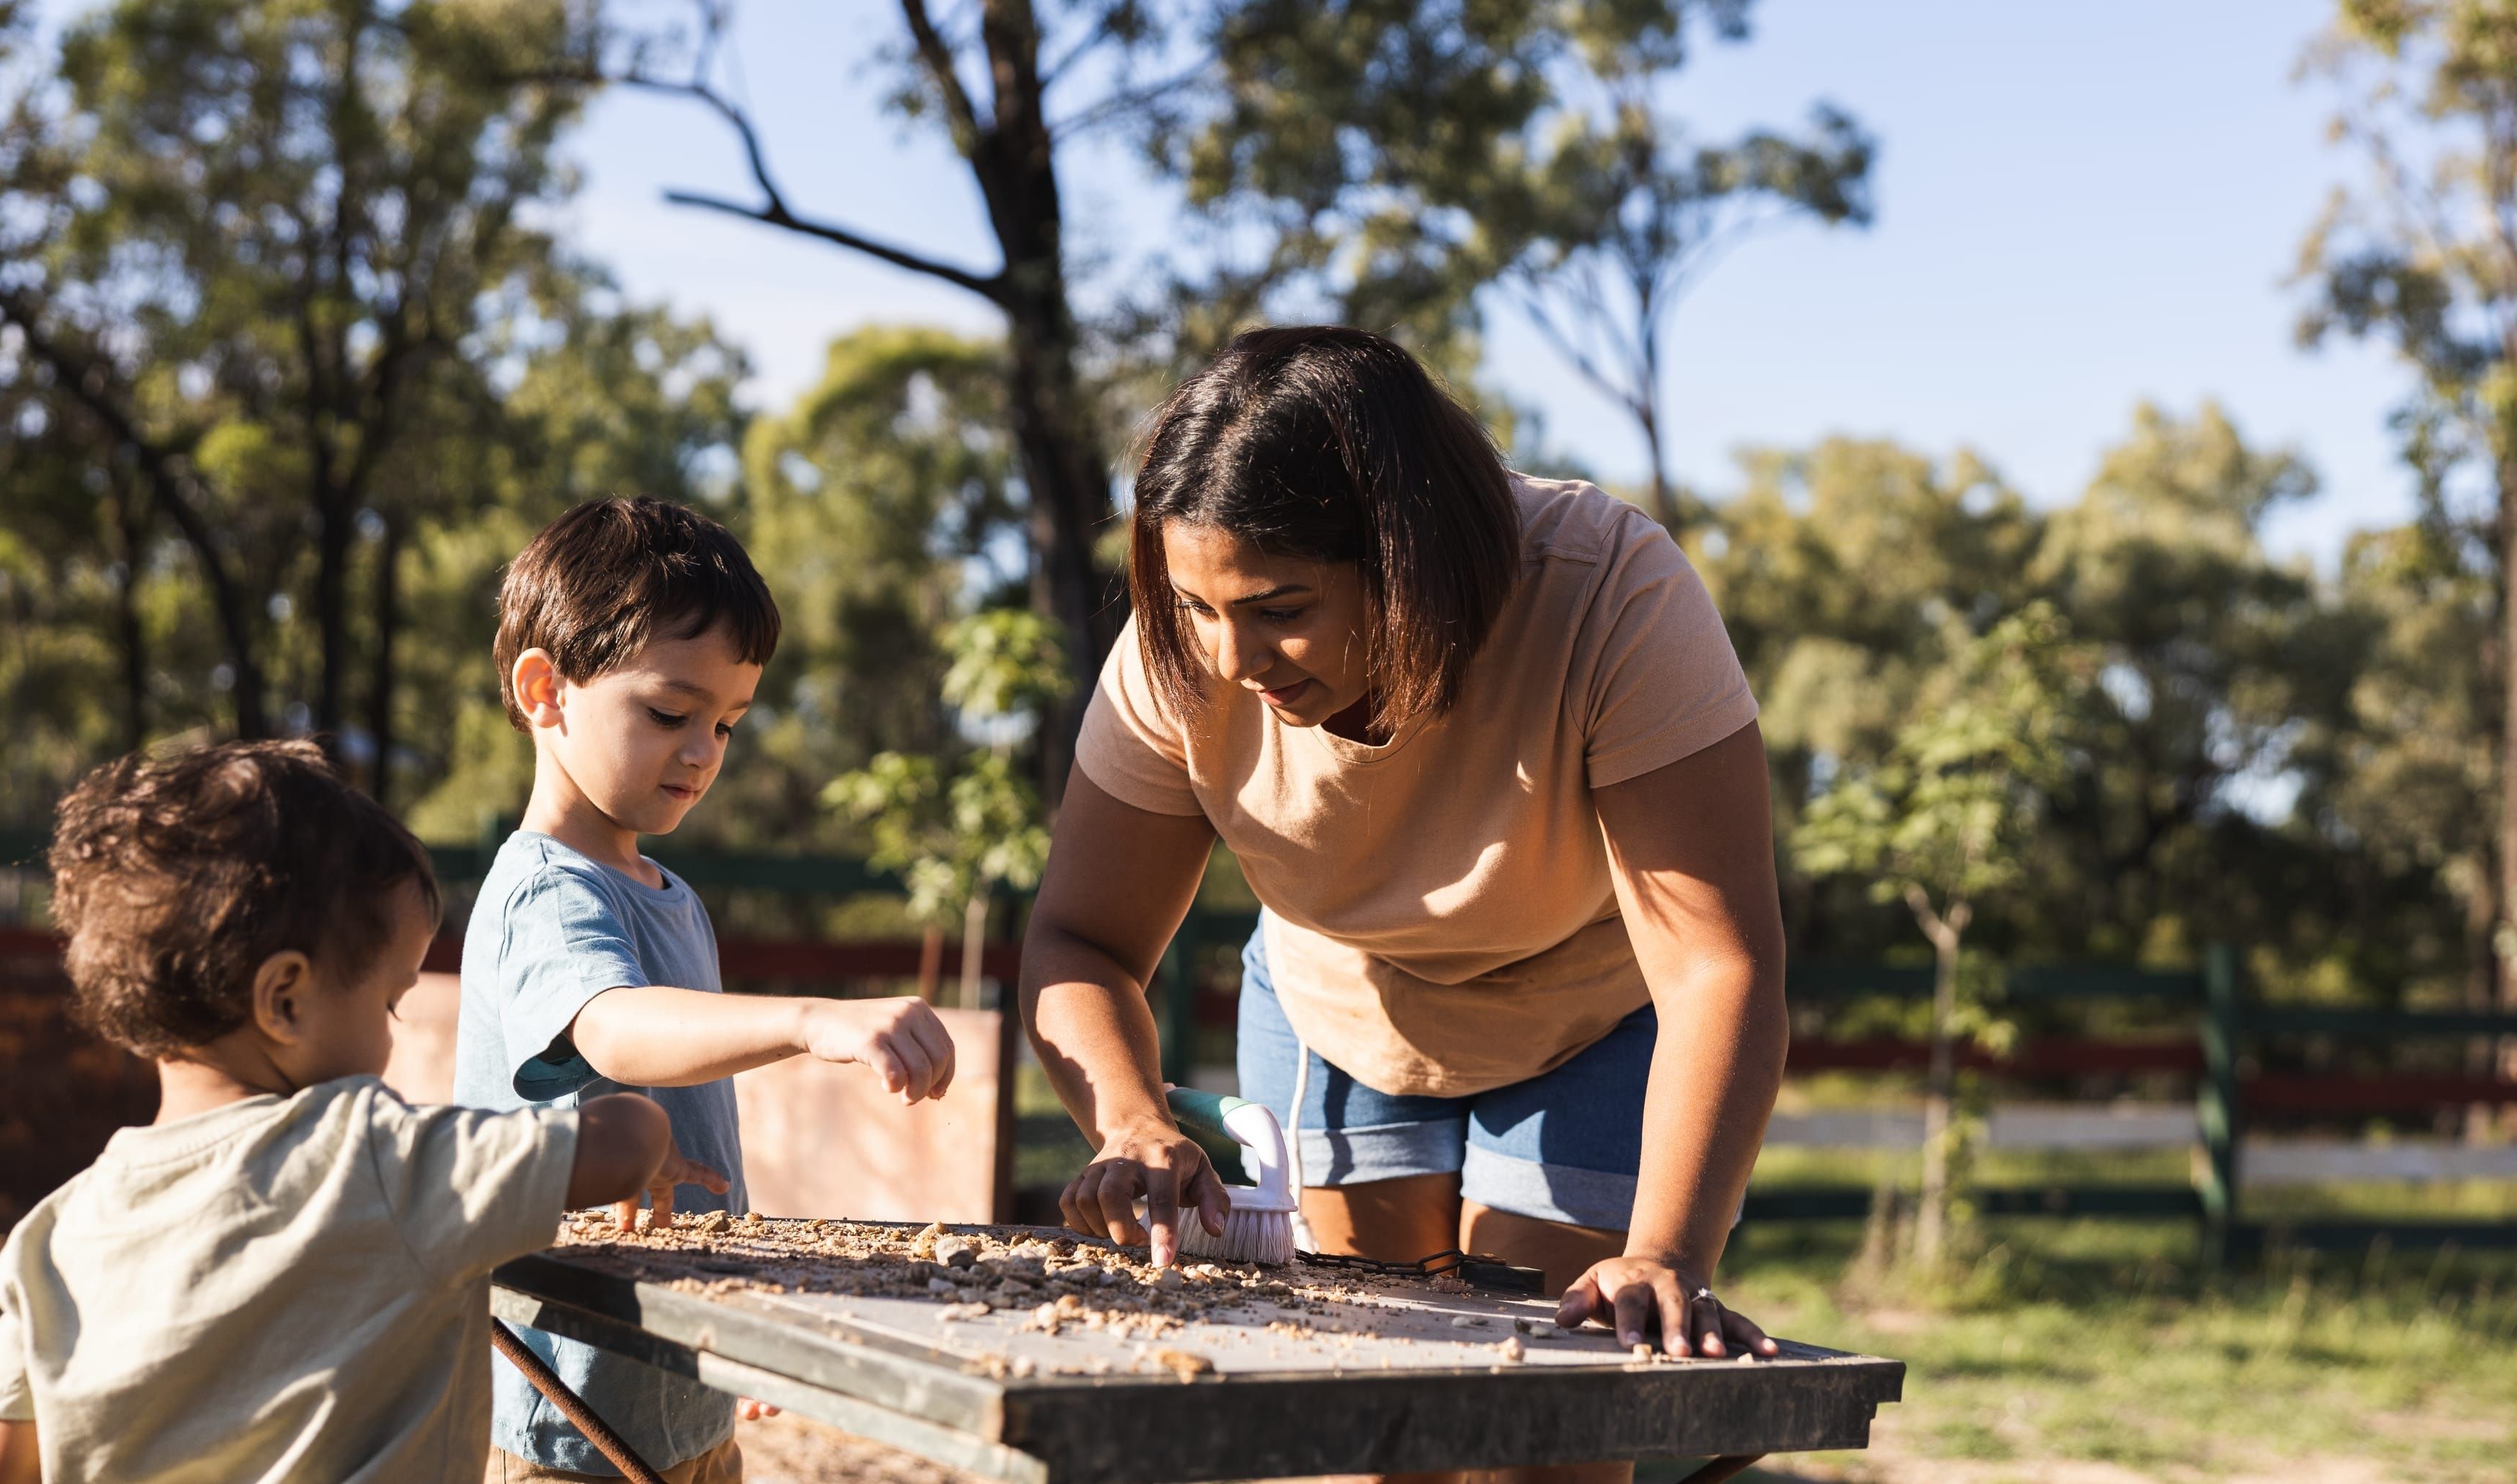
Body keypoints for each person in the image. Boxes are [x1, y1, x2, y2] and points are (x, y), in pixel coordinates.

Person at [1021, 327, 1791, 1472]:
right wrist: (1136, 1121)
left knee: (1543, 1429)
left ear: (1406, 554)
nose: (1233, 658)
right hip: (1337, 1002)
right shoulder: (1180, 647)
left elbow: (1717, 967)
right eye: (1199, 606)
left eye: (1282, 604)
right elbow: (1081, 938)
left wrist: (1668, 1250)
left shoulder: (1610, 594)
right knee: (1379, 1417)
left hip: (1588, 1013)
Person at [0, 741, 674, 1484]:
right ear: (285, 998)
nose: (393, 1030)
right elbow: (621, 1145)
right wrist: (637, 1111)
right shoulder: (372, 1156)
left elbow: (12, 1460)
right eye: (389, 1001)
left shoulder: (51, 1238)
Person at [457, 496, 956, 1484]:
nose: (703, 752)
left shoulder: (670, 895)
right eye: (670, 713)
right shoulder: (543, 890)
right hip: (571, 1409)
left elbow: (699, 1145)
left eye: (727, 723)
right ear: (544, 690)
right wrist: (812, 1018)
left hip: (683, 1391)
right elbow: (612, 1029)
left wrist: (735, 1326)